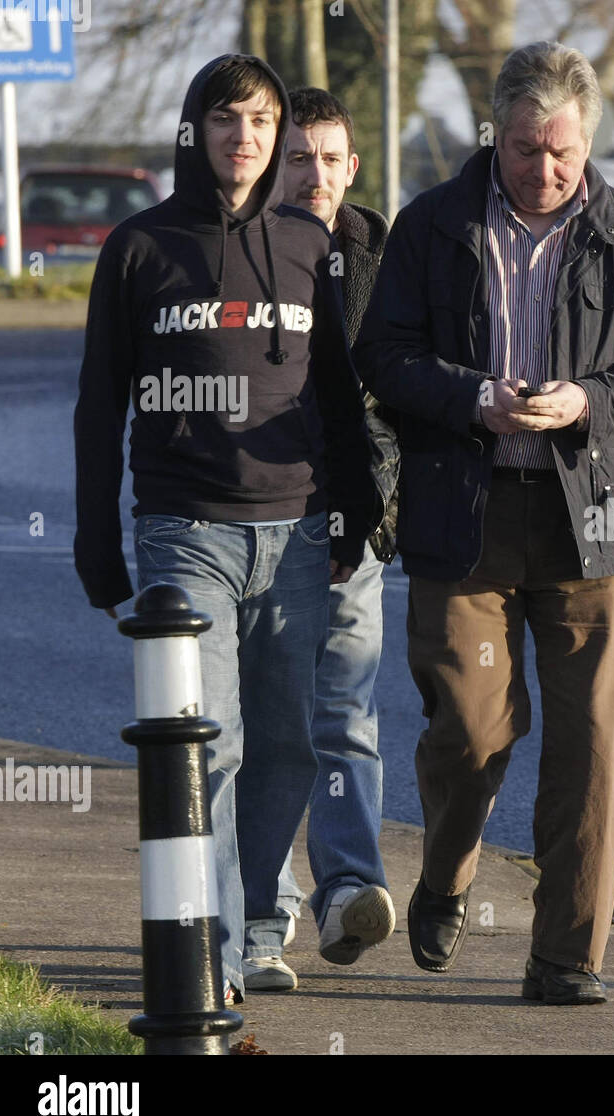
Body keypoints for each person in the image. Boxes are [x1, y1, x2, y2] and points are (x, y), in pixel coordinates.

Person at [355, 40, 614, 1004]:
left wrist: (586, 399)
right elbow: (382, 353)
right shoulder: (430, 226)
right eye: (523, 148)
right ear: (492, 133)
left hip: (590, 520)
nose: (544, 169)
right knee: (470, 729)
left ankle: (566, 959)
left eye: (562, 151)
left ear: (588, 138)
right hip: (465, 518)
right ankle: (448, 870)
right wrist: (471, 398)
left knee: (592, 743)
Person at [73, 54, 373, 1005]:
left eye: (260, 121)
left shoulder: (305, 245)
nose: (243, 138)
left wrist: (359, 504)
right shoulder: (138, 248)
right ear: (195, 130)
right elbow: (98, 402)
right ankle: (208, 941)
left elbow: (334, 392)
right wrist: (95, 535)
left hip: (295, 529)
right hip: (183, 530)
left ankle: (256, 927)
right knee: (212, 741)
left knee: (289, 742)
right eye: (225, 119)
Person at [246, 86, 398, 988]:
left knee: (347, 716)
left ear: (351, 166)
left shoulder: (382, 256)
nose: (315, 176)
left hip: (352, 524)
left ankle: (350, 890)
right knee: (268, 726)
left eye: (329, 159)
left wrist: (378, 500)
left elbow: (398, 390)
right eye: (296, 158)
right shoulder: (240, 252)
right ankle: (263, 915)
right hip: (254, 521)